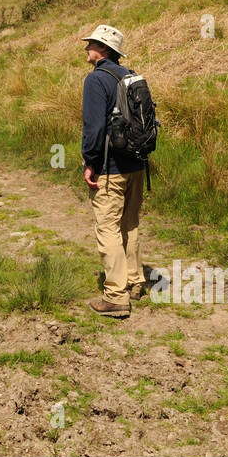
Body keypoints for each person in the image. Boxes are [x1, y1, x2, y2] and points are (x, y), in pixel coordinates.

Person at [80, 24, 148, 318]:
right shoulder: (130, 75)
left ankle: (116, 297)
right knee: (129, 223)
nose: (87, 48)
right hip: (136, 165)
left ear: (104, 50)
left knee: (107, 227)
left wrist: (89, 161)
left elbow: (93, 127)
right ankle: (135, 282)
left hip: (110, 167)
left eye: (92, 43)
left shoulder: (96, 80)